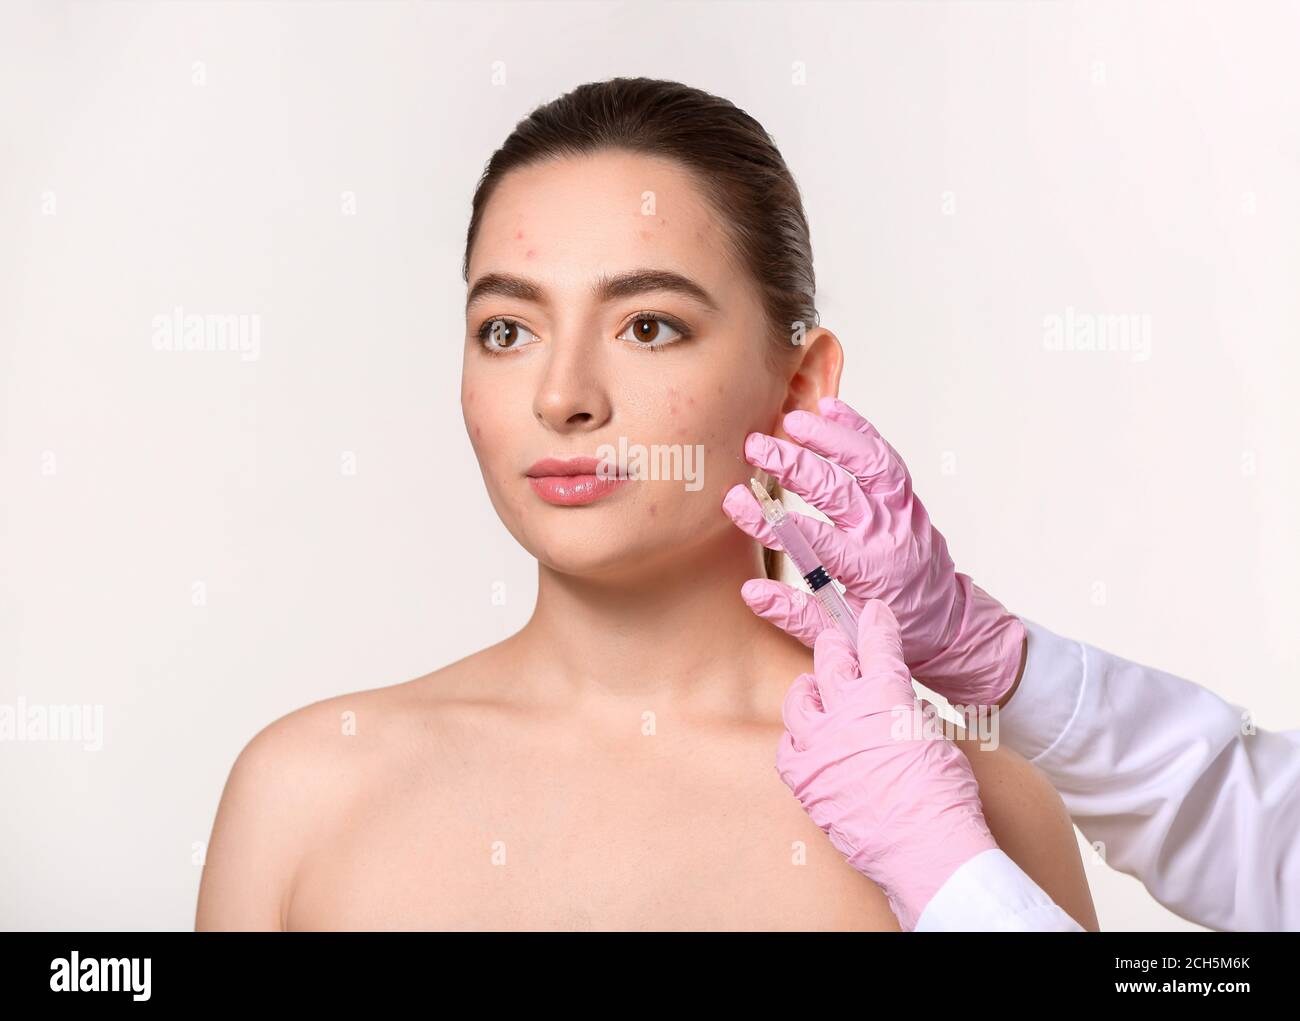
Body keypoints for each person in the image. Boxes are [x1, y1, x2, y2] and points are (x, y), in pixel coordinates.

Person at [195, 77, 1098, 931]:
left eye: (648, 325)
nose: (563, 396)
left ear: (798, 386)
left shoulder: (967, 812)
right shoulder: (304, 792)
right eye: (507, 330)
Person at [727, 395, 1300, 931]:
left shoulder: (1001, 795)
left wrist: (943, 867)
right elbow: (1267, 839)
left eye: (654, 329)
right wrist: (982, 650)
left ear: (798, 388)